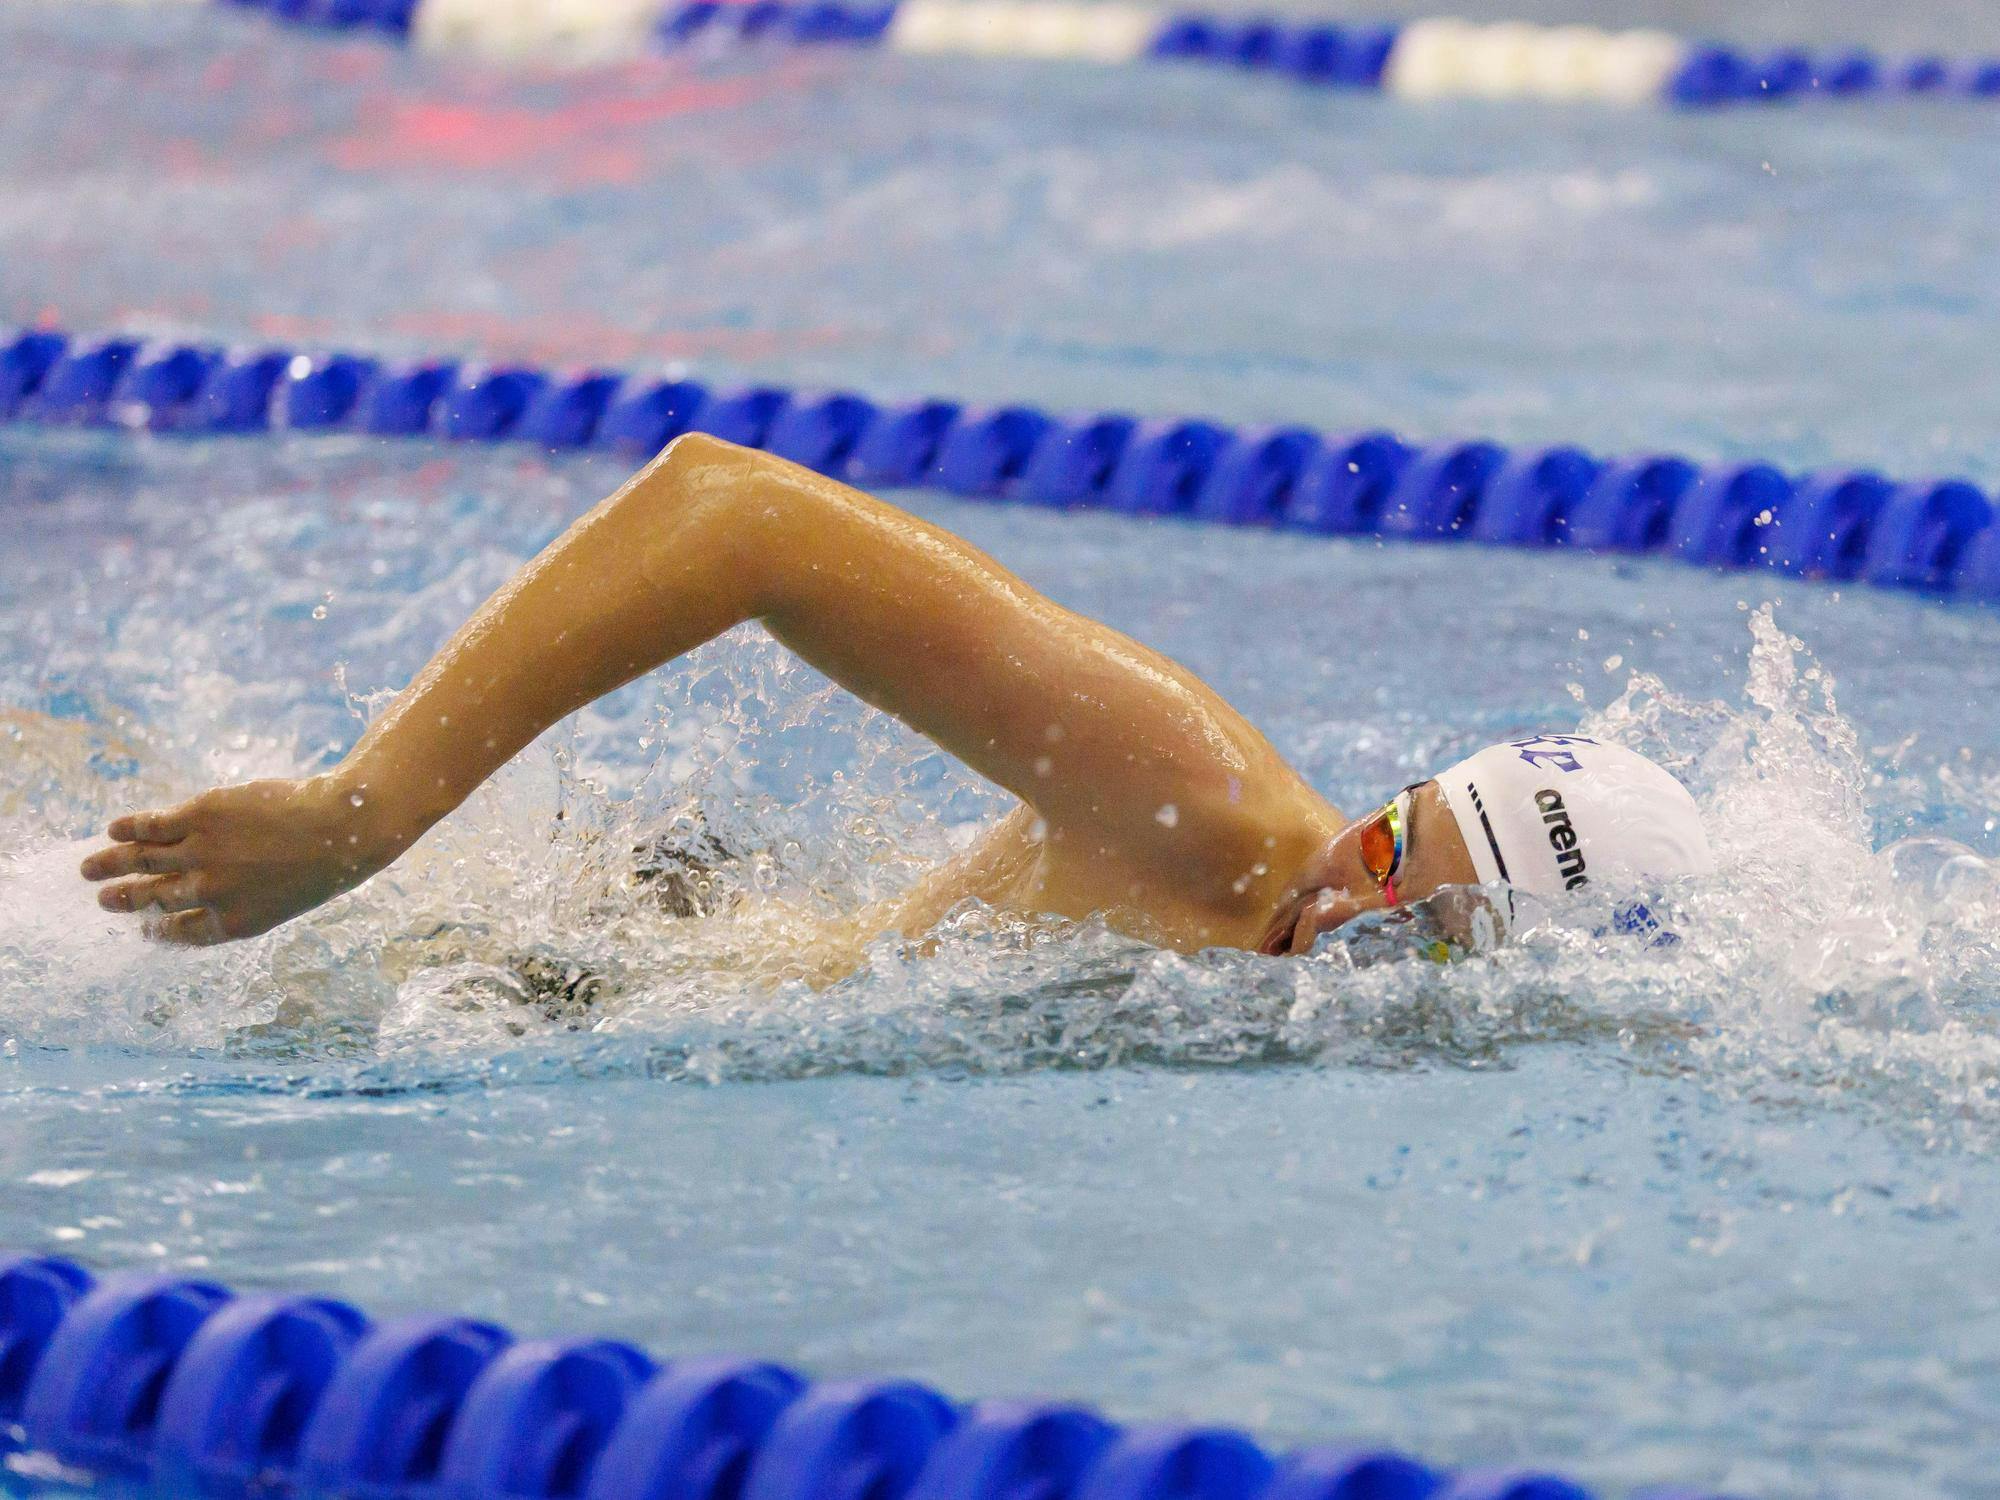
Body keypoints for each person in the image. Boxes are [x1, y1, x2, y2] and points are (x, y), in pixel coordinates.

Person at [79, 433, 1713, 960]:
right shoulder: (1209, 812)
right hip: (602, 971)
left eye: (1412, 921)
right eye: (1381, 844)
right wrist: (367, 814)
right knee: (92, 869)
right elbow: (732, 506)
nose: (1344, 893)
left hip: (757, 931)